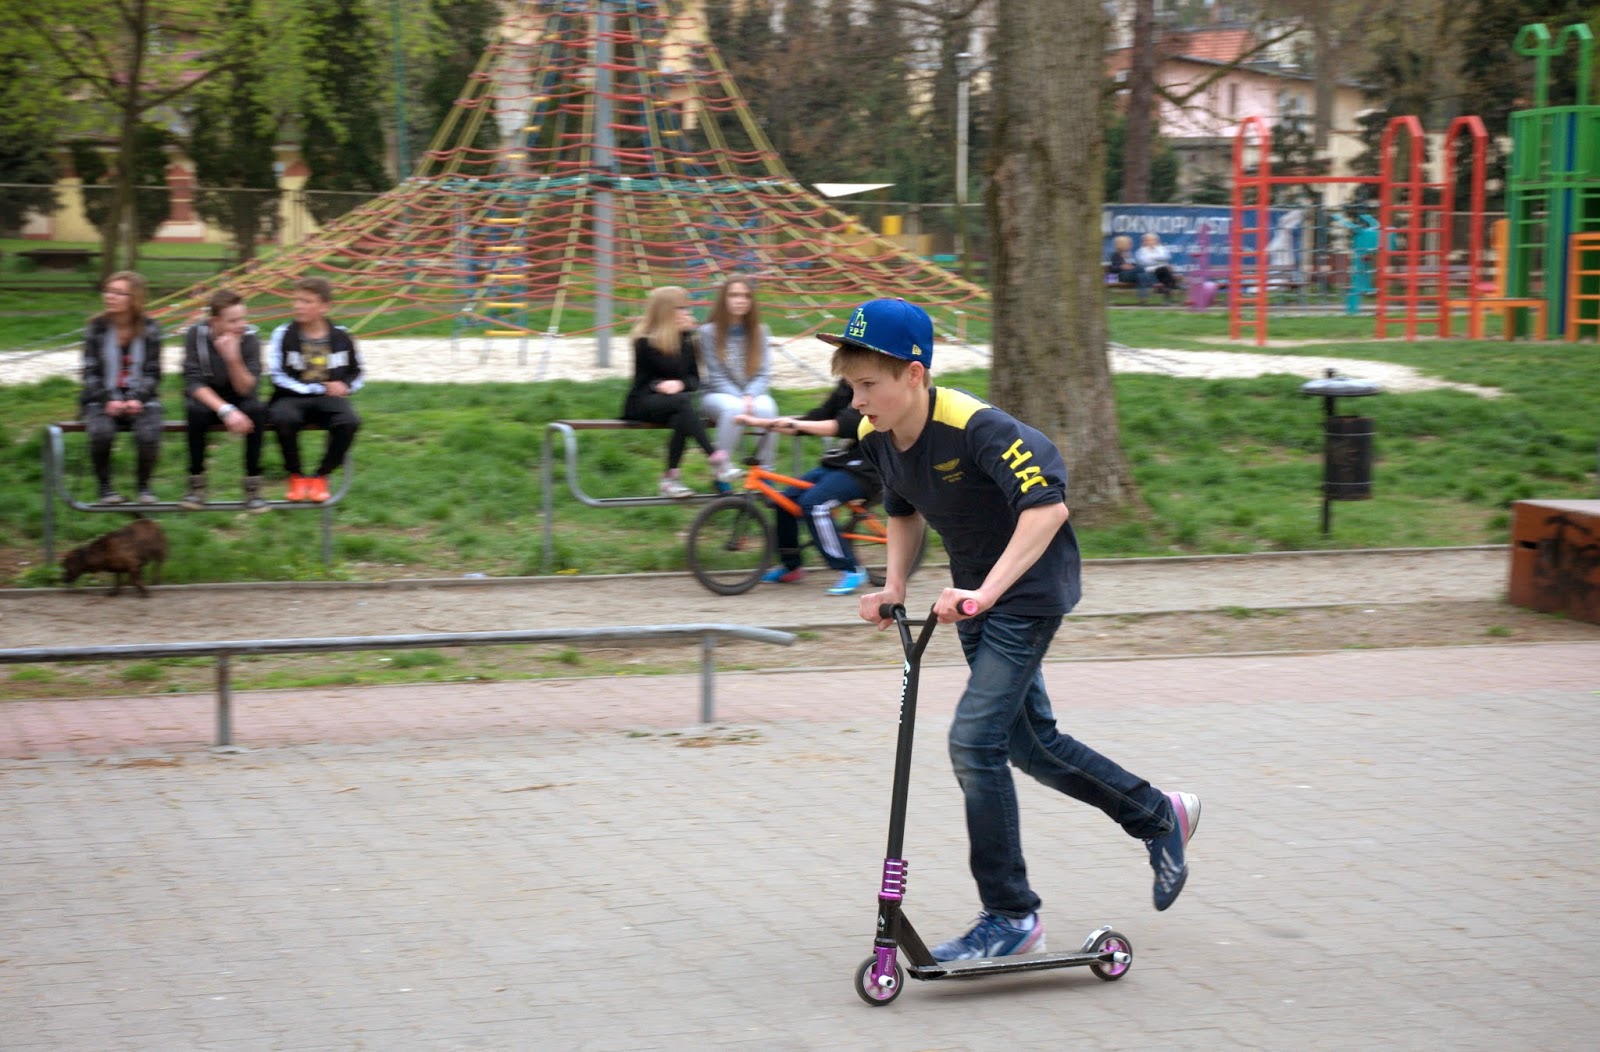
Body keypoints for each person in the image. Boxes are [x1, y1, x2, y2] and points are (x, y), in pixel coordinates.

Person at [827, 297, 1200, 963]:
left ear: (914, 375)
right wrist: (893, 586)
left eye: (868, 386)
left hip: (1024, 593)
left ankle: (1012, 915)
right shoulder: (876, 436)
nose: (857, 402)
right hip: (971, 596)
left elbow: (1048, 509)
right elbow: (903, 509)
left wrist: (986, 593)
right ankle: (1156, 815)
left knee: (974, 743)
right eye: (851, 386)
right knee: (1029, 746)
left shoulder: (977, 428)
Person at [734, 377, 878, 595]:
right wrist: (762, 423)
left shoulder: (873, 387)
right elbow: (819, 417)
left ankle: (851, 569)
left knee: (814, 504)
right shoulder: (845, 386)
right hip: (841, 462)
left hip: (867, 468)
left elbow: (841, 426)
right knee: (786, 500)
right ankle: (791, 566)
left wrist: (796, 424)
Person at [621, 285, 727, 498]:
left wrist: (680, 384)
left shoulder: (686, 339)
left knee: (683, 410)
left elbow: (694, 380)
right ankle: (715, 456)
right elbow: (652, 377)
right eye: (683, 308)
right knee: (683, 403)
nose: (688, 313)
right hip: (643, 402)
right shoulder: (644, 341)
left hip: (675, 403)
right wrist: (660, 385)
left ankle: (670, 480)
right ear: (667, 311)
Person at [266, 276, 363, 503]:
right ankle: (296, 476)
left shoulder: (341, 336)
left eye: (306, 301)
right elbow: (277, 374)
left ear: (324, 306)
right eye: (296, 300)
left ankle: (322, 476)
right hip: (290, 396)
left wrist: (345, 386)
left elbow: (357, 371)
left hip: (329, 398)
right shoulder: (283, 334)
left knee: (349, 421)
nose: (298, 306)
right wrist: (314, 388)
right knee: (283, 418)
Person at [180, 289, 268, 512]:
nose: (241, 325)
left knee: (256, 410)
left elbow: (247, 387)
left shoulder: (250, 338)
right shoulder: (195, 336)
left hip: (240, 395)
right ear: (214, 321)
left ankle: (253, 485)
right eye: (233, 321)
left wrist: (233, 358)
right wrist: (226, 410)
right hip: (208, 396)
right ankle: (196, 484)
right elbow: (193, 383)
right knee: (195, 411)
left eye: (243, 318)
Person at [80, 270, 164, 505]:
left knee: (148, 434)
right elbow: (90, 372)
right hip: (101, 397)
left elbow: (153, 371)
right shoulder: (96, 328)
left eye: (118, 293)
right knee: (101, 432)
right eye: (108, 291)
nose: (110, 296)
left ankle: (144, 488)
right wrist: (108, 398)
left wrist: (137, 398)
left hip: (141, 398)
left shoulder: (151, 329)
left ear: (134, 298)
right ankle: (105, 489)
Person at [697, 276, 777, 480]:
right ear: (724, 299)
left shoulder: (760, 331)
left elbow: (763, 373)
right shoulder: (708, 332)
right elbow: (716, 375)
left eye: (746, 296)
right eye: (734, 295)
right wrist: (743, 399)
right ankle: (721, 469)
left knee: (768, 409)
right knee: (734, 408)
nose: (740, 300)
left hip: (753, 393)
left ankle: (765, 473)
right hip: (717, 394)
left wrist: (749, 395)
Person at [1136, 232, 1182, 297]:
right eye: (1148, 240)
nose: (1150, 242)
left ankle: (1168, 287)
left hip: (1162, 270)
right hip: (1150, 272)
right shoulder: (1141, 251)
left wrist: (1152, 258)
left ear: (1157, 241)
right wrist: (1159, 260)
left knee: (1164, 269)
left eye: (1152, 240)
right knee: (1164, 269)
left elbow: (1167, 257)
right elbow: (1144, 262)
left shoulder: (1162, 249)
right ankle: (1171, 285)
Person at [1107, 234, 1151, 299]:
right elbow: (1113, 269)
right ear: (1123, 244)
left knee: (1141, 276)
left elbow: (1134, 265)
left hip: (1132, 274)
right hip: (1121, 276)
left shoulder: (1130, 254)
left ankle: (1143, 297)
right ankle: (1150, 281)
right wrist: (1122, 267)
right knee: (1140, 268)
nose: (1131, 245)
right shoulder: (1115, 255)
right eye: (1129, 243)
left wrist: (1132, 266)